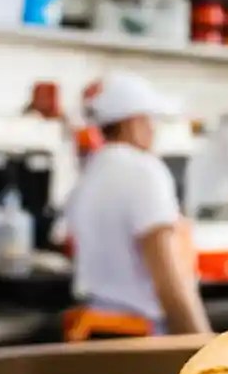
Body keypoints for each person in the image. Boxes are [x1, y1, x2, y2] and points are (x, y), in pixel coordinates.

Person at [65, 73, 210, 335]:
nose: (154, 130)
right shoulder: (144, 171)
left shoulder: (89, 175)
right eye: (150, 120)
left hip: (95, 328)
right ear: (133, 122)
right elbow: (168, 276)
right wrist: (201, 345)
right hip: (139, 332)